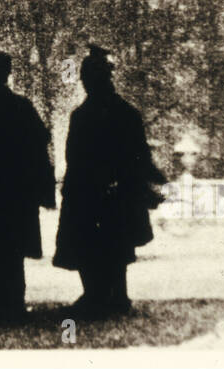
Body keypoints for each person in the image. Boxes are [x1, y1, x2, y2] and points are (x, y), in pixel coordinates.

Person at [52, 45, 162, 317]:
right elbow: (140, 153)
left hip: (89, 191)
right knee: (117, 243)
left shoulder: (83, 115)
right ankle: (116, 295)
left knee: (90, 244)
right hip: (120, 191)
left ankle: (96, 294)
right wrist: (151, 179)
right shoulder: (126, 112)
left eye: (87, 78)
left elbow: (74, 155)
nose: (85, 83)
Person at [0, 51, 54, 320]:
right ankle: (14, 302)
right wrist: (43, 189)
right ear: (7, 74)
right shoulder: (22, 108)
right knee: (14, 249)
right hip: (18, 192)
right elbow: (41, 143)